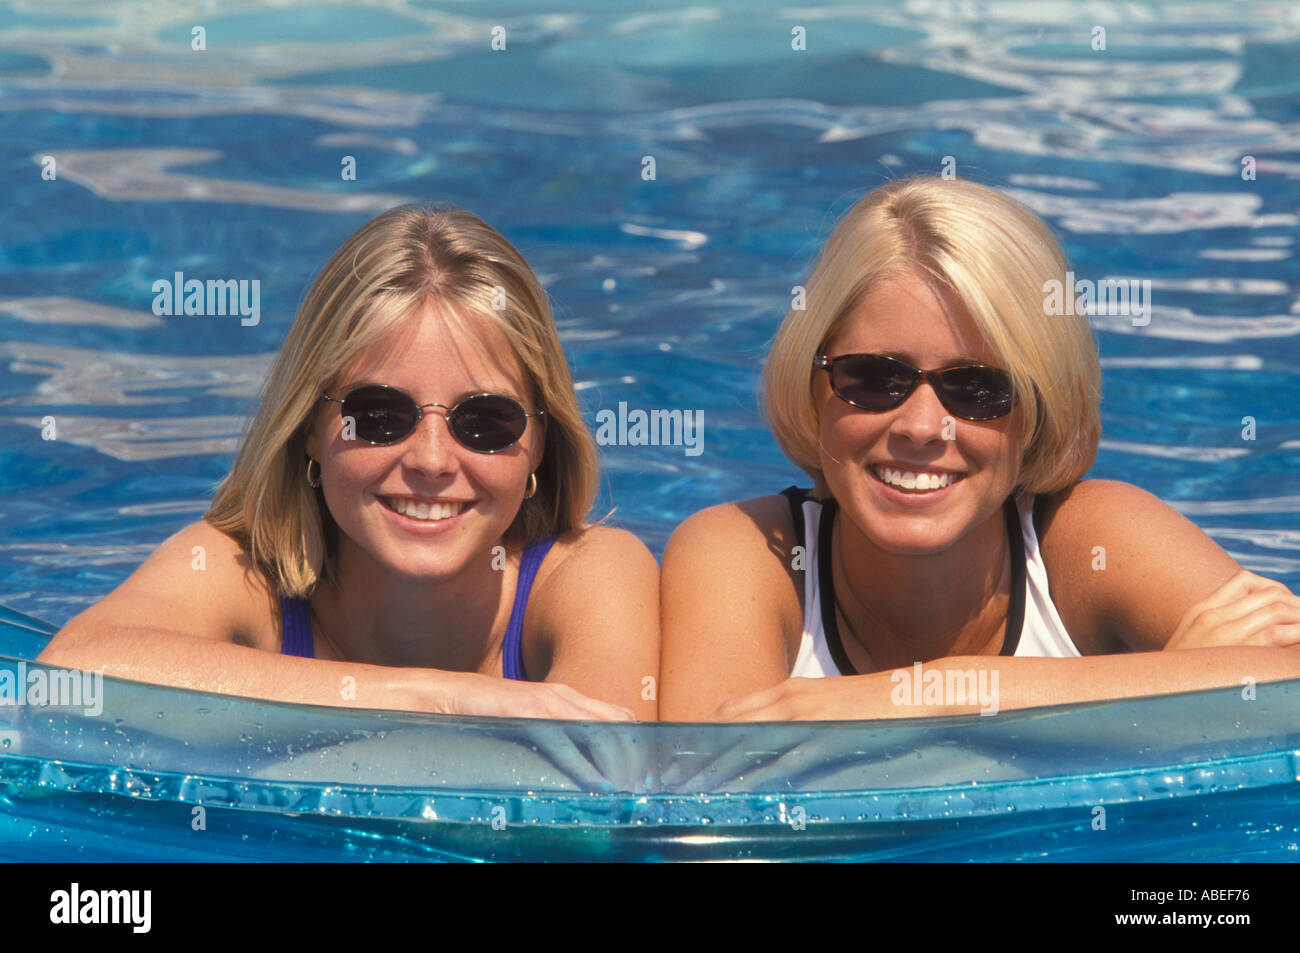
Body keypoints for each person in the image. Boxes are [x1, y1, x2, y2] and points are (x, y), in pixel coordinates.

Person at [660, 175, 1300, 721]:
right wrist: (1164, 695)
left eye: (978, 389)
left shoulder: (1093, 541)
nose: (921, 426)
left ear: (1040, 410)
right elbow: (710, 783)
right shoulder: (750, 552)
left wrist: (917, 698)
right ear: (813, 383)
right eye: (875, 378)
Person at [40, 205, 658, 720]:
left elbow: (603, 777)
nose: (433, 460)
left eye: (486, 422)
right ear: (310, 427)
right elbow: (73, 674)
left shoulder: (587, 575)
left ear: (542, 444)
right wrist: (435, 697)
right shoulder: (241, 571)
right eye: (379, 415)